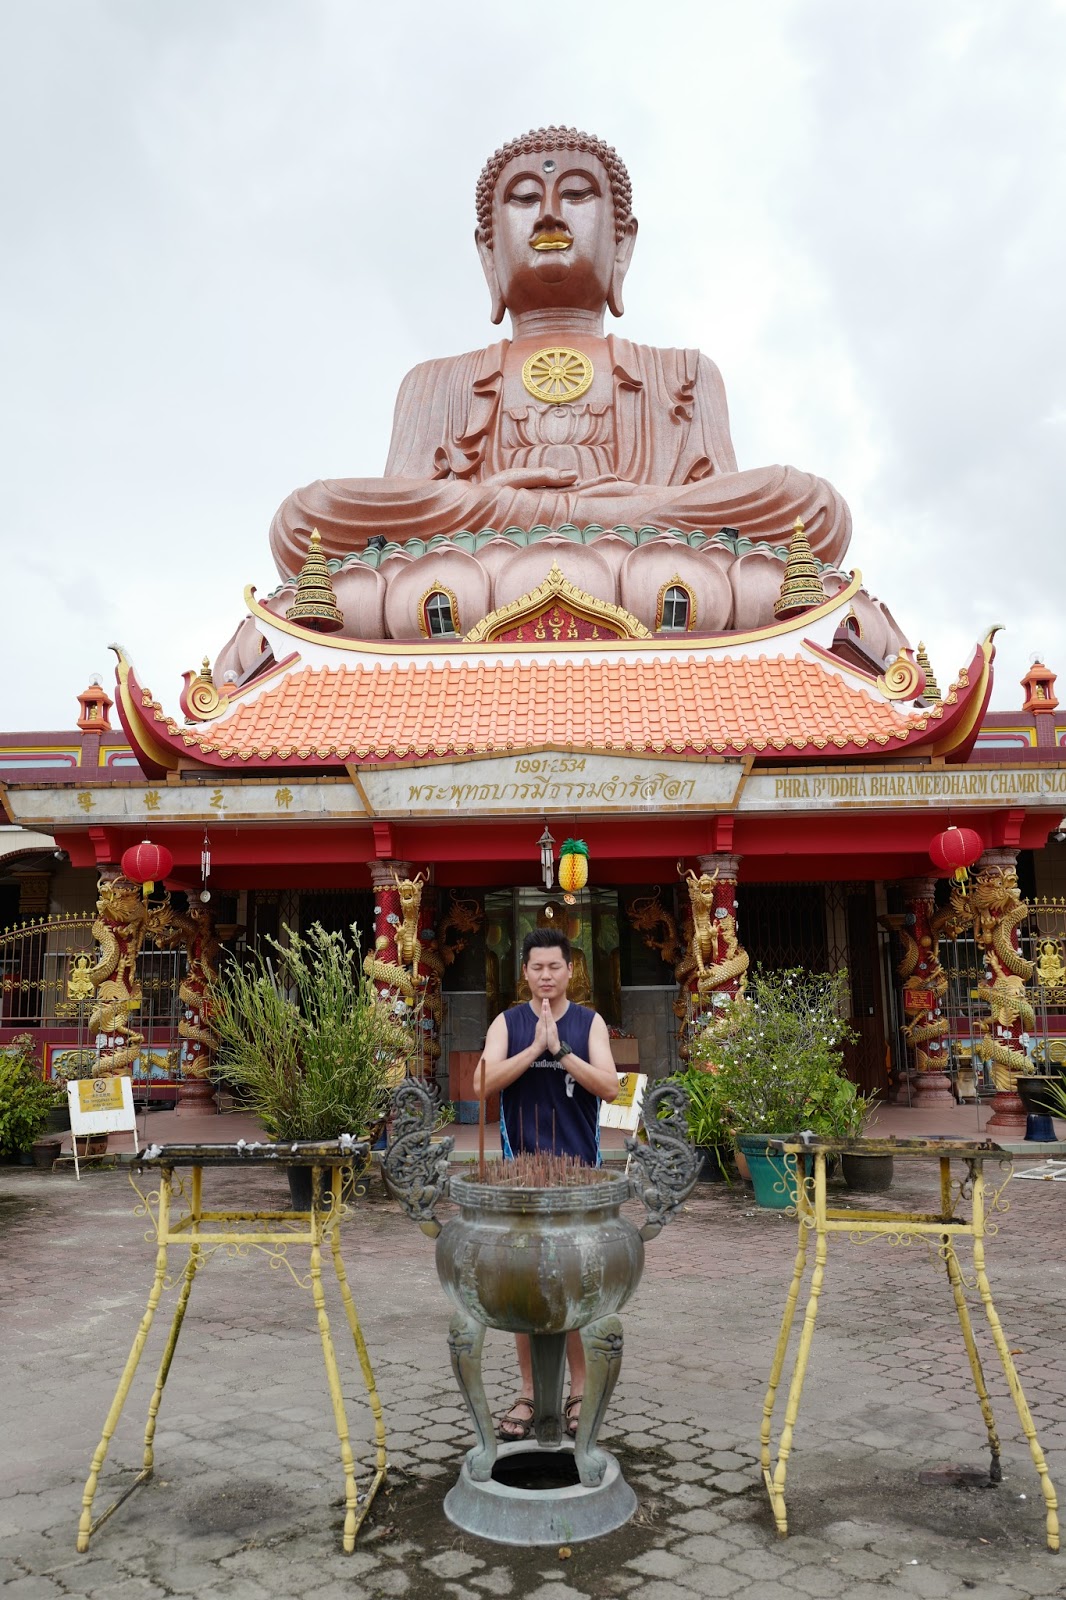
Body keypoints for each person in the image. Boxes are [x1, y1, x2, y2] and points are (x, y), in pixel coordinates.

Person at [268, 126, 852, 582]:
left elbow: (728, 517)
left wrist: (647, 504)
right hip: (515, 564)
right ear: (487, 250)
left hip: (606, 563)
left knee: (805, 503)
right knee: (307, 516)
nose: (550, 213)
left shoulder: (683, 373)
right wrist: (485, 502)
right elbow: (401, 517)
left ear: (621, 242)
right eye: (524, 198)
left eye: (575, 193)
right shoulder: (435, 382)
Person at [478, 926, 620, 1441]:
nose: (545, 976)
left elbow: (609, 1085)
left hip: (579, 1173)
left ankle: (579, 1388)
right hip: (521, 1175)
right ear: (525, 972)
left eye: (554, 967)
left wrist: (560, 1051)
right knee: (523, 1286)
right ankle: (532, 1390)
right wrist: (532, 1047)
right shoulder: (508, 1022)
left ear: (569, 970)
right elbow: (482, 1083)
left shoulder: (589, 1022)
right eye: (536, 967)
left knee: (575, 1285)